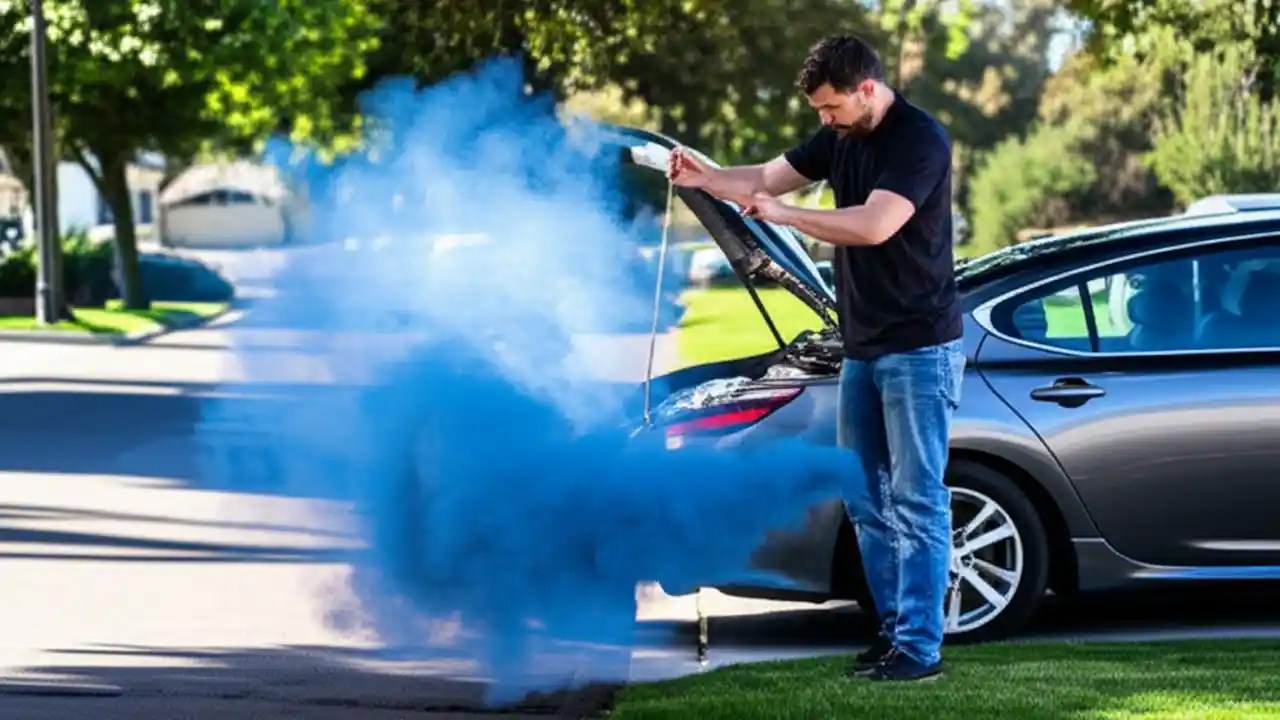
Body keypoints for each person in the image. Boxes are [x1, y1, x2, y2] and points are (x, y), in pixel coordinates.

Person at [667, 34, 964, 682]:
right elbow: (764, 179)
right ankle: (891, 636)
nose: (822, 121)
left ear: (865, 89)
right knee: (865, 499)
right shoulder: (839, 138)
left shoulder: (920, 139)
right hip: (864, 348)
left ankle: (920, 648)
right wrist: (705, 178)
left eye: (830, 107)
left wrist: (786, 216)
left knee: (917, 500)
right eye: (818, 111)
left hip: (919, 348)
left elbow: (873, 225)